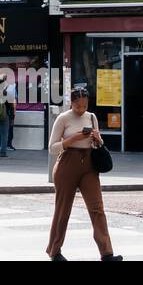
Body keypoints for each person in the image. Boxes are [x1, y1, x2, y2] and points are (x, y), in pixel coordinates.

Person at [46, 85, 122, 262]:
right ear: (71, 103)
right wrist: (72, 139)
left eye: (85, 105)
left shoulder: (92, 117)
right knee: (63, 209)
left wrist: (97, 139)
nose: (81, 109)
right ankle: (55, 251)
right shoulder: (63, 118)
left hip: (89, 164)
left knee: (97, 208)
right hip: (67, 164)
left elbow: (99, 143)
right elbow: (52, 148)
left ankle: (107, 253)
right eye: (78, 106)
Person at [5, 75, 18, 151]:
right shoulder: (12, 87)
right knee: (9, 128)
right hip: (8, 111)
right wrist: (14, 113)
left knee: (5, 129)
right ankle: (8, 144)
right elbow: (14, 101)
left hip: (3, 111)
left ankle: (5, 145)